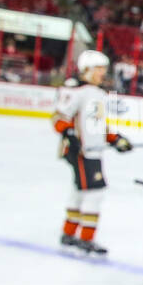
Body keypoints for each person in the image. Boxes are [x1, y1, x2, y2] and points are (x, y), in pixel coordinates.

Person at [52, 49, 132, 255]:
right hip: (82, 152)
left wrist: (116, 139)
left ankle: (68, 233)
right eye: (99, 68)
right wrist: (70, 135)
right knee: (94, 193)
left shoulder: (97, 94)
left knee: (79, 191)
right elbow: (59, 117)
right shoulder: (77, 91)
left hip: (92, 151)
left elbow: (95, 125)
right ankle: (85, 238)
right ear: (86, 70)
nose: (102, 73)